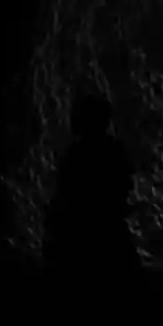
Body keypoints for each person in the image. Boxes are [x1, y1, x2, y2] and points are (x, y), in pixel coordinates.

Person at [43, 93, 140, 296]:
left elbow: (64, 195)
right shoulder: (114, 150)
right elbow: (126, 186)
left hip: (81, 239)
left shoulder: (76, 155)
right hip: (110, 235)